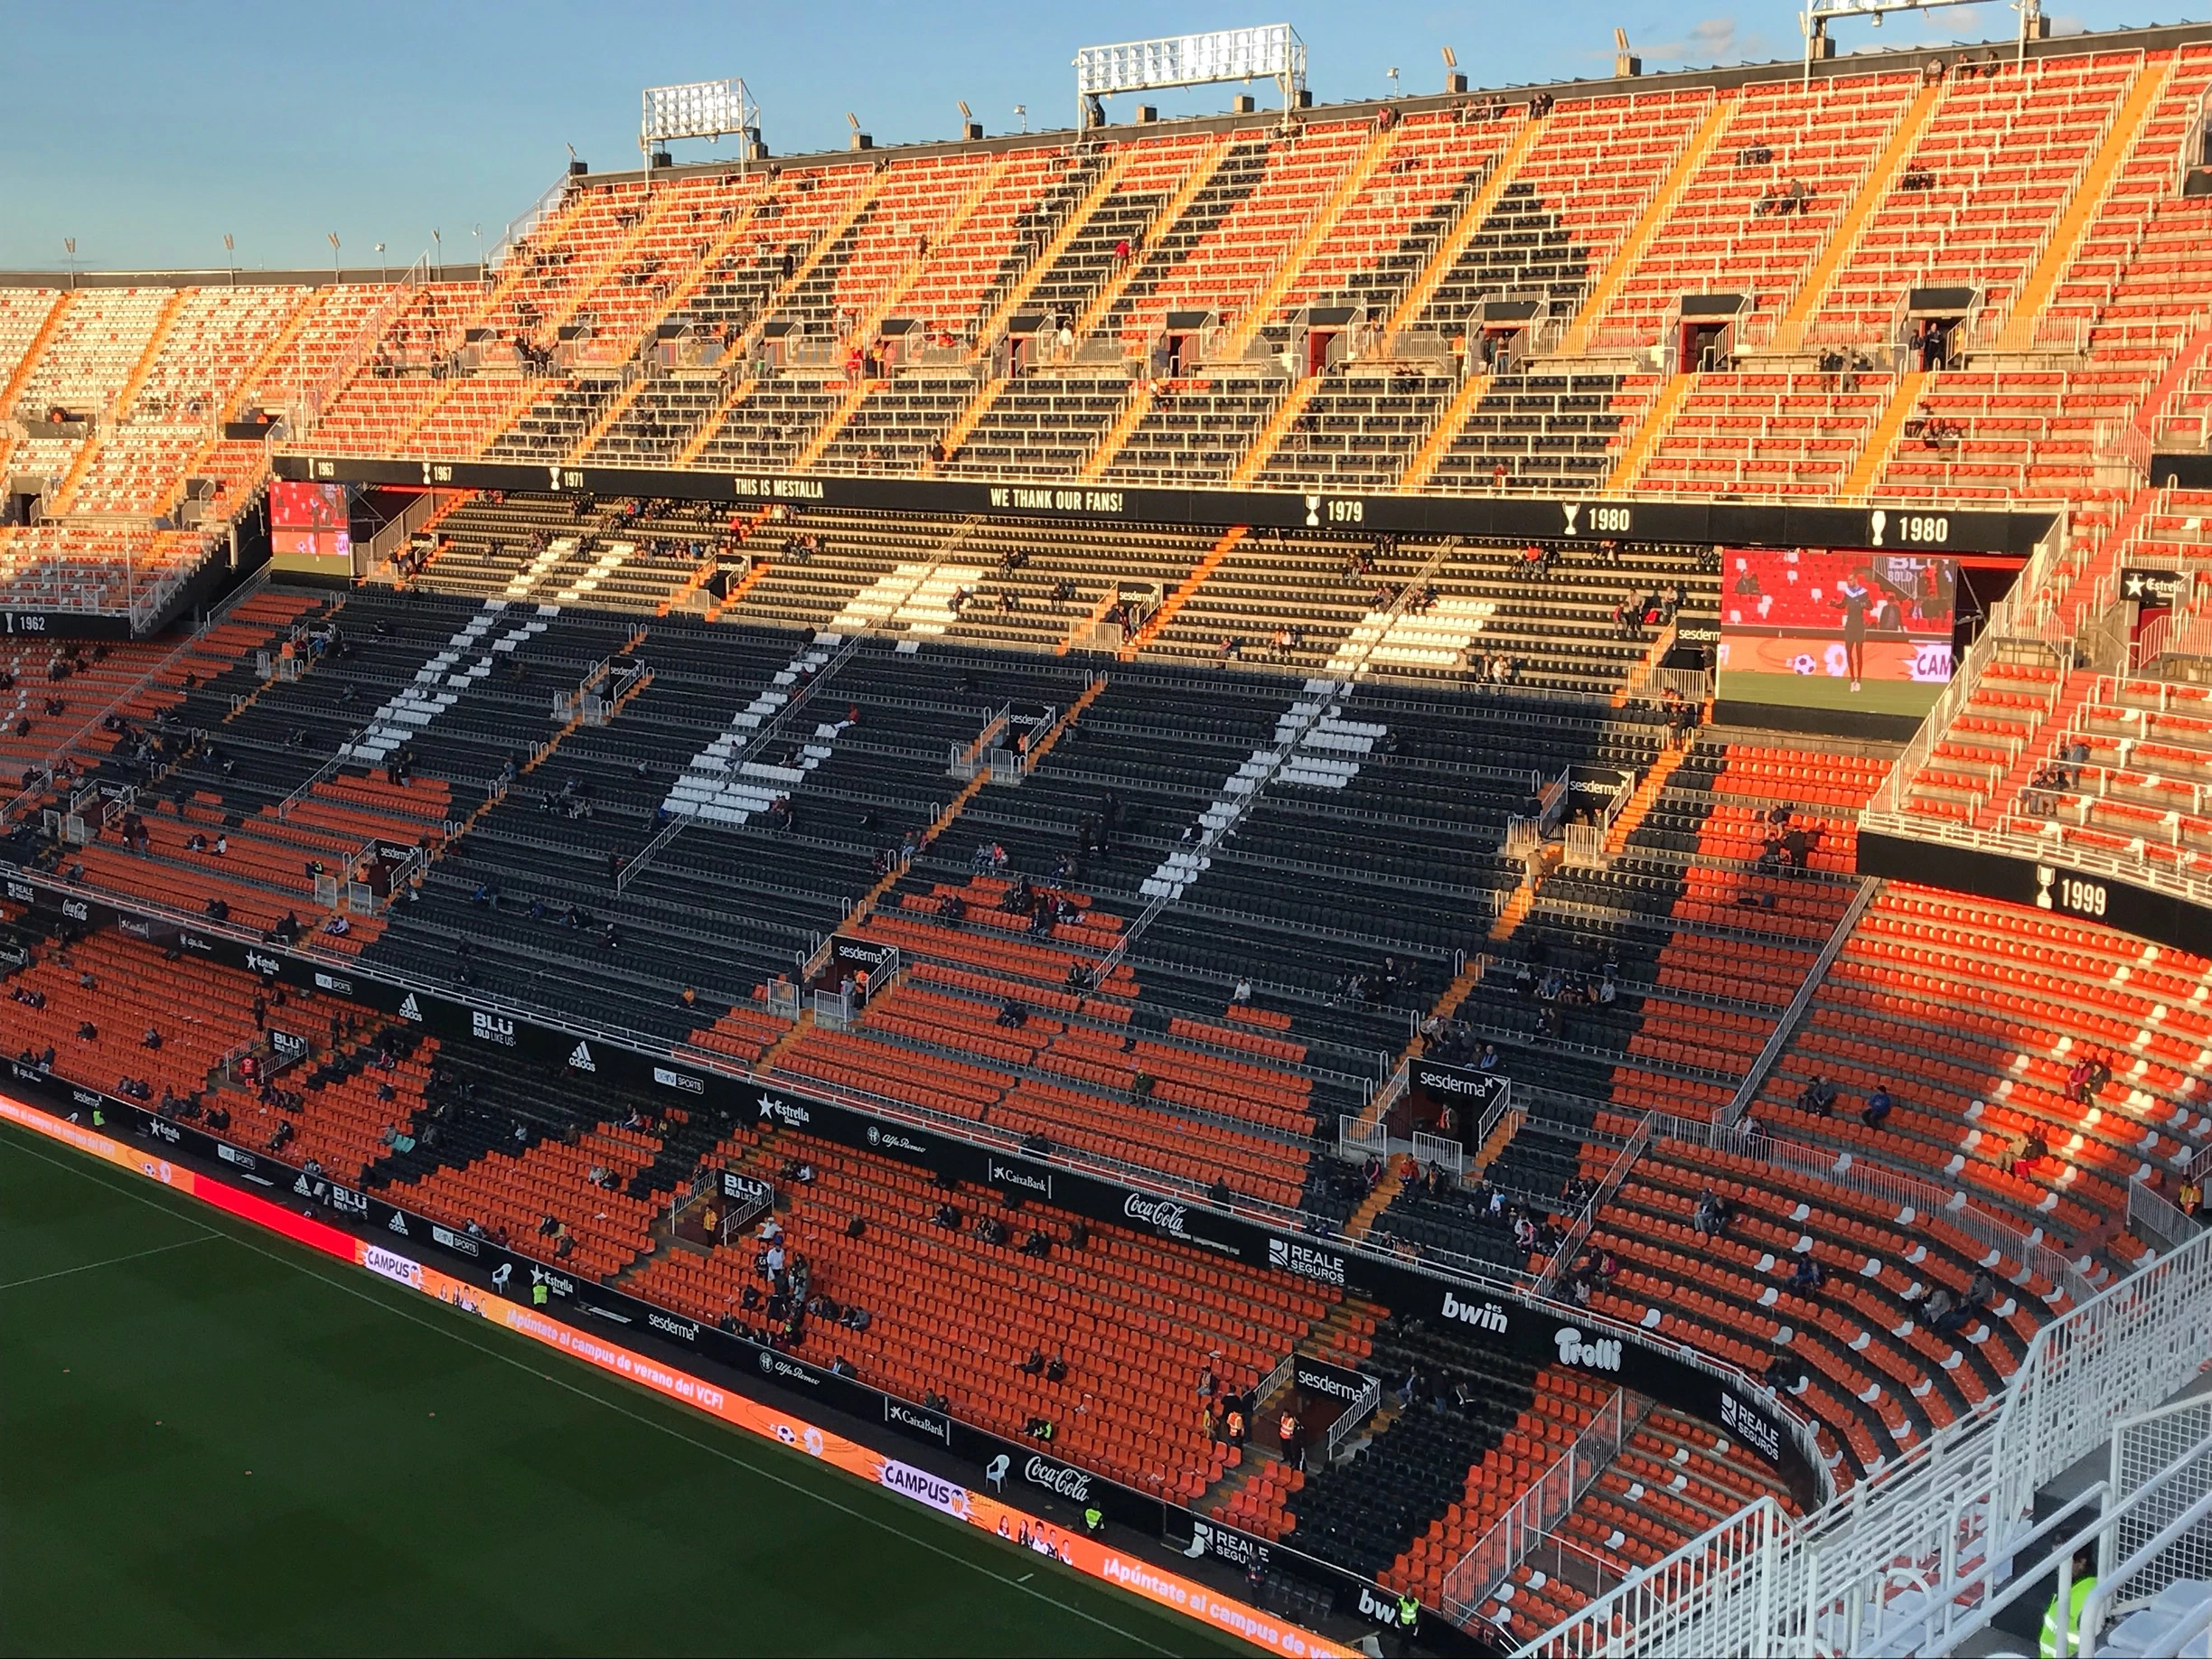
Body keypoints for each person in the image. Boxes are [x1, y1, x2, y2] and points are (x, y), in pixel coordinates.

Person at [2040, 1547, 2097, 1658]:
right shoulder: (2071, 1587)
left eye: (2062, 1560)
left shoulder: (2088, 1596)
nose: (2056, 1565)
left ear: (2081, 1562)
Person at [1278, 1408, 1303, 1472]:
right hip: (1282, 1436)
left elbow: (1290, 1429)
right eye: (1284, 1413)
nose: (1284, 1414)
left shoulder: (1291, 1420)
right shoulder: (1283, 1417)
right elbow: (1282, 1425)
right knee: (1284, 1449)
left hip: (1288, 1437)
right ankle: (1285, 1458)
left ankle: (1292, 1462)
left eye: (1285, 1413)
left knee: (1290, 1450)